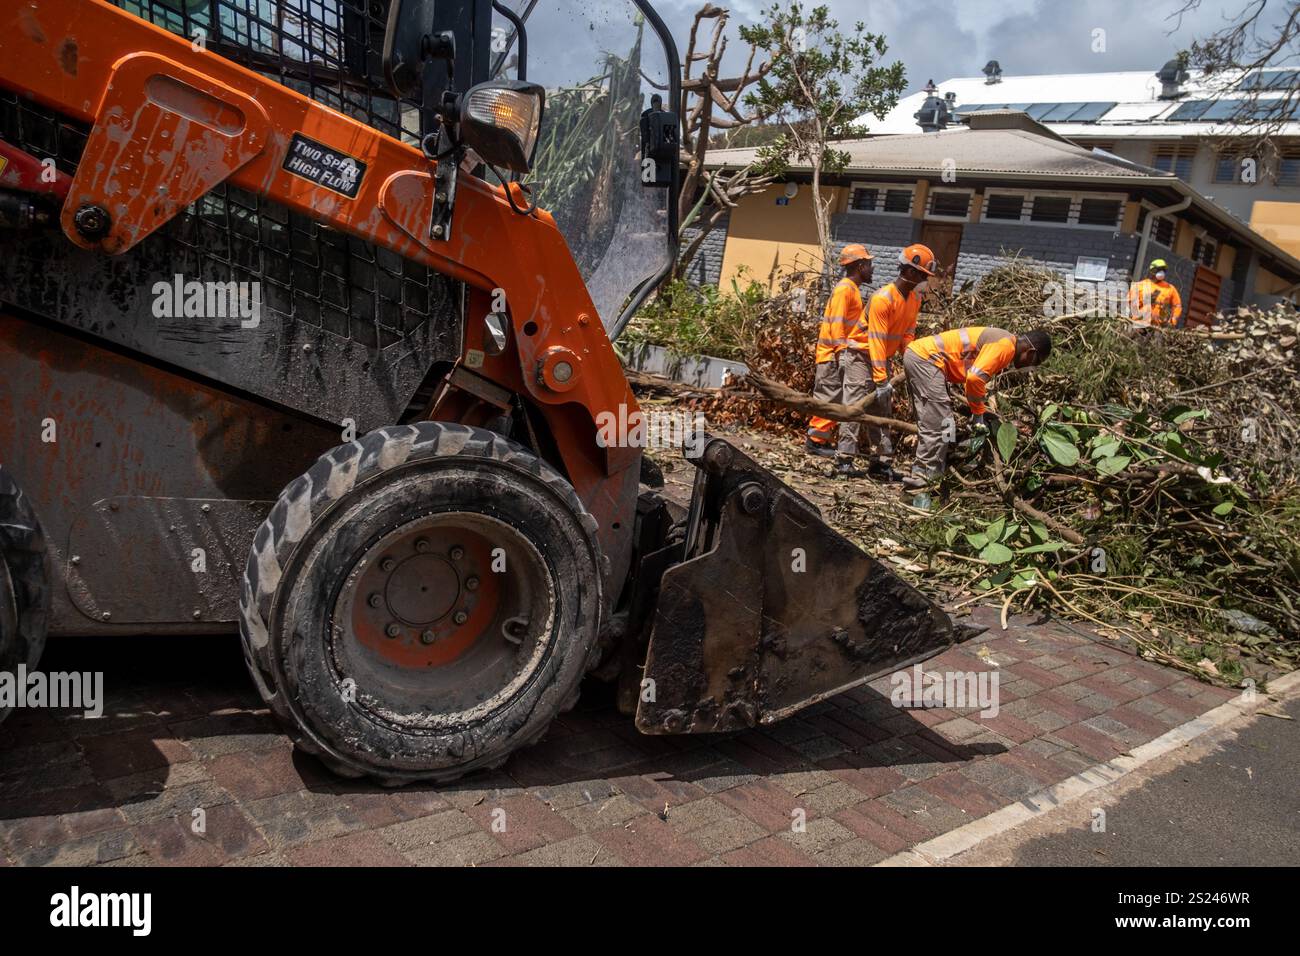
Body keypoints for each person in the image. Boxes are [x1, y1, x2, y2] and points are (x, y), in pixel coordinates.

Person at [901, 327, 1052, 491]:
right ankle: (922, 480)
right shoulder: (1006, 347)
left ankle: (936, 471)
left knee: (941, 422)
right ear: (1030, 352)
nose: (1029, 367)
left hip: (924, 358)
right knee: (940, 424)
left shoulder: (1005, 342)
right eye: (1035, 362)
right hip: (927, 360)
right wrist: (978, 413)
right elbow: (974, 378)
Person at [841, 243, 936, 482]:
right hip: (861, 357)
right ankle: (844, 460)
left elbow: (907, 335)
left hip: (883, 358)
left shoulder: (914, 300)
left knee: (882, 411)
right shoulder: (883, 298)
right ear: (910, 272)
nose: (924, 280)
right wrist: (881, 378)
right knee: (855, 407)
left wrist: (911, 362)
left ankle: (881, 464)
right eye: (923, 275)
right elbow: (876, 340)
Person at [806, 244, 874, 470]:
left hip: (837, 353)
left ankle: (819, 440)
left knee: (832, 399)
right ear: (860, 265)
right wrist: (841, 353)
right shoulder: (845, 289)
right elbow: (836, 323)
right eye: (869, 264)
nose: (872, 269)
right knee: (827, 398)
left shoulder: (851, 289)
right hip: (832, 355)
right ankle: (815, 441)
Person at [1127, 259, 1183, 327]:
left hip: (1157, 326)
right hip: (1139, 323)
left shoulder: (1170, 288)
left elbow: (1177, 305)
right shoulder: (1140, 285)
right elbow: (1129, 304)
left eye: (1164, 270)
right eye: (1159, 269)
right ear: (1152, 270)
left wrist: (1172, 320)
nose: (1162, 272)